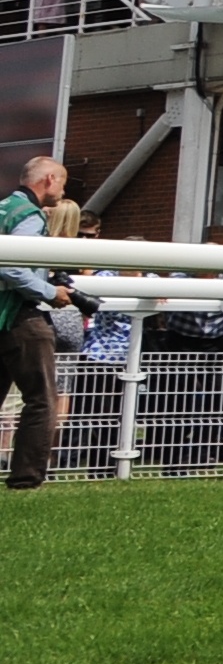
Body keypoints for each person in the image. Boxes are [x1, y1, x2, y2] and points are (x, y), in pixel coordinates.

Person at [0, 155, 81, 491]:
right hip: (20, 315)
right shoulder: (29, 215)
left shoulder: (4, 206)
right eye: (61, 182)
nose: (62, 190)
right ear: (49, 179)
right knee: (43, 399)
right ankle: (26, 479)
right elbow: (11, 266)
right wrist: (49, 290)